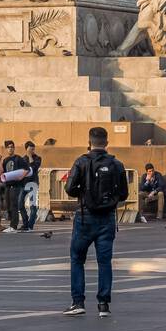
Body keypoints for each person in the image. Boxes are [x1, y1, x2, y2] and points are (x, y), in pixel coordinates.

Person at [63, 127, 128, 316]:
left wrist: (83, 193)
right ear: (107, 143)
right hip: (107, 218)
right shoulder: (117, 164)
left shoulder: (81, 162)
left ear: (89, 141)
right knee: (105, 262)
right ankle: (103, 304)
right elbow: (123, 193)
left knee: (77, 259)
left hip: (85, 217)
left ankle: (78, 302)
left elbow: (69, 188)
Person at [0, 140, 30, 233]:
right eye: (9, 147)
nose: (11, 149)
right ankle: (12, 224)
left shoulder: (18, 158)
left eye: (12, 147)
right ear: (6, 149)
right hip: (8, 186)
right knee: (8, 205)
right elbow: (2, 172)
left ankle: (13, 226)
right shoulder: (5, 160)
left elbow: (27, 169)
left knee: (14, 206)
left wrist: (21, 177)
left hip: (16, 186)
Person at [21, 141, 42, 231]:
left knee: (33, 206)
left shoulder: (38, 158)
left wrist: (30, 156)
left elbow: (33, 168)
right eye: (30, 149)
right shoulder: (22, 159)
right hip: (24, 184)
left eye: (33, 149)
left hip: (33, 183)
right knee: (20, 204)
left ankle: (30, 225)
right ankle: (25, 223)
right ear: (26, 149)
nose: (32, 151)